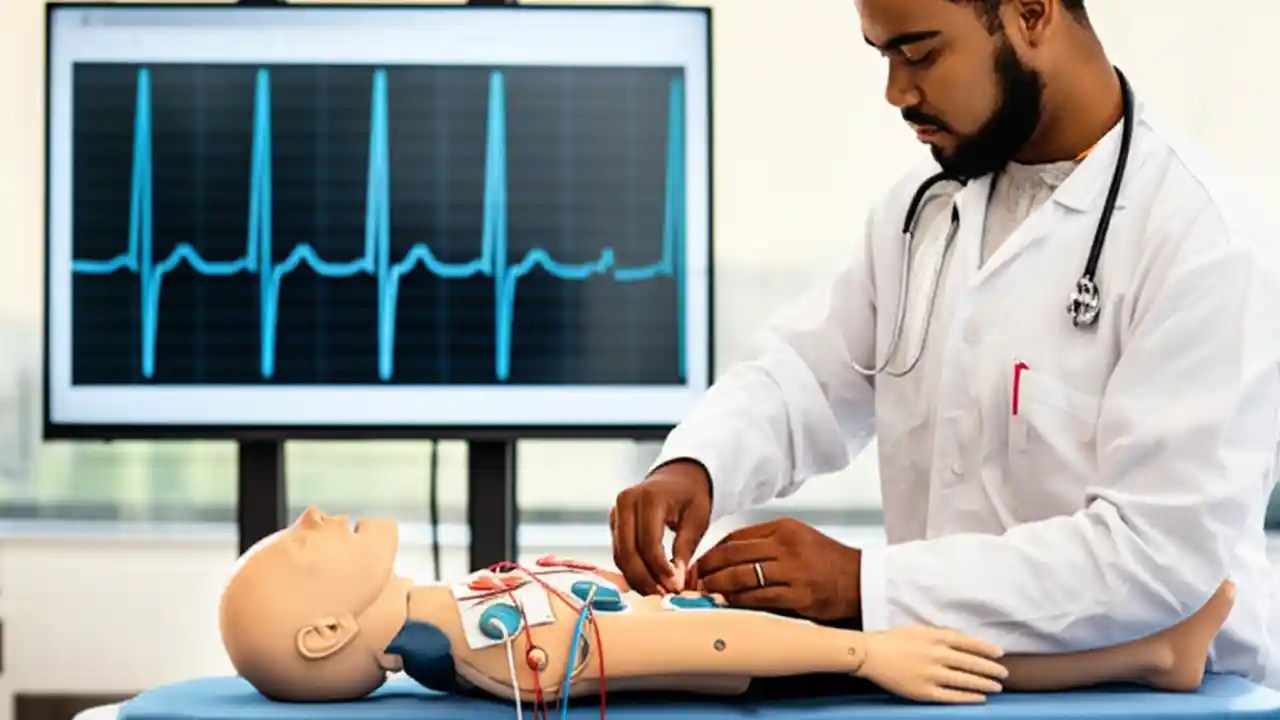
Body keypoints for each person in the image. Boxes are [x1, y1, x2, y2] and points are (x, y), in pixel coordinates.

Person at [609, 0, 1280, 689]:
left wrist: (860, 583)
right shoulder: (923, 211)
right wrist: (696, 466)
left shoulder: (1205, 240)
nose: (896, 92)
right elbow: (805, 379)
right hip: (948, 680)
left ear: (1031, 14)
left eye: (920, 54)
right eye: (884, 56)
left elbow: (1156, 555)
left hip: (1161, 699)